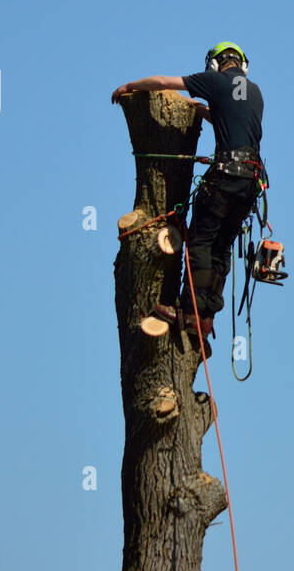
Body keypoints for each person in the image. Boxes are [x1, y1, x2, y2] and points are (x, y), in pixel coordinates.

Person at [110, 42, 265, 353]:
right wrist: (203, 111)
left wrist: (130, 86)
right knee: (221, 249)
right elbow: (231, 119)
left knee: (201, 243)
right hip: (250, 182)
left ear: (215, 63)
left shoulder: (215, 81)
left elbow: (166, 83)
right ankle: (206, 318)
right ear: (243, 65)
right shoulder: (254, 92)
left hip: (224, 176)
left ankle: (187, 310)